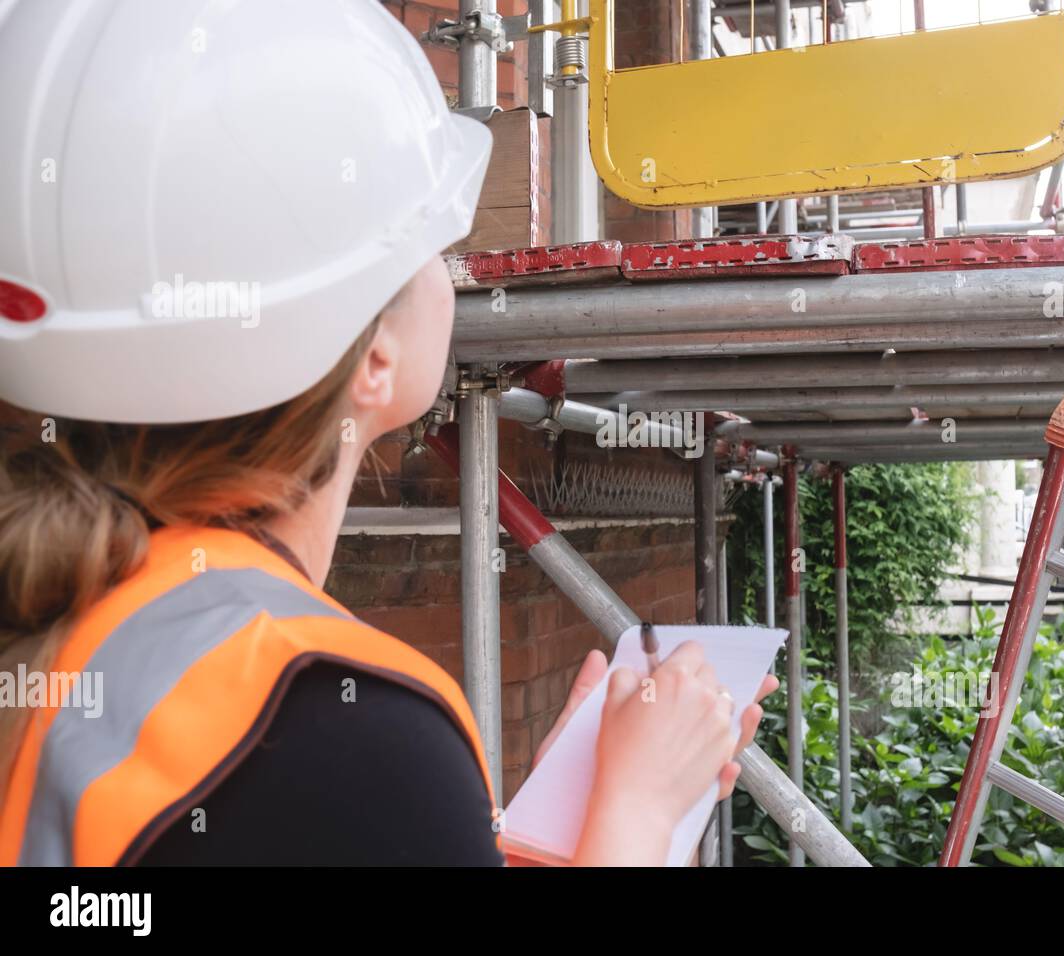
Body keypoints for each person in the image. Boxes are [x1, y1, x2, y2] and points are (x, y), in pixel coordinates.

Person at [0, 0, 776, 866]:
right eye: (437, 252)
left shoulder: (82, 624)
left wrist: (571, 822)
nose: (456, 277)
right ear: (371, 354)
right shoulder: (337, 728)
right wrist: (637, 811)